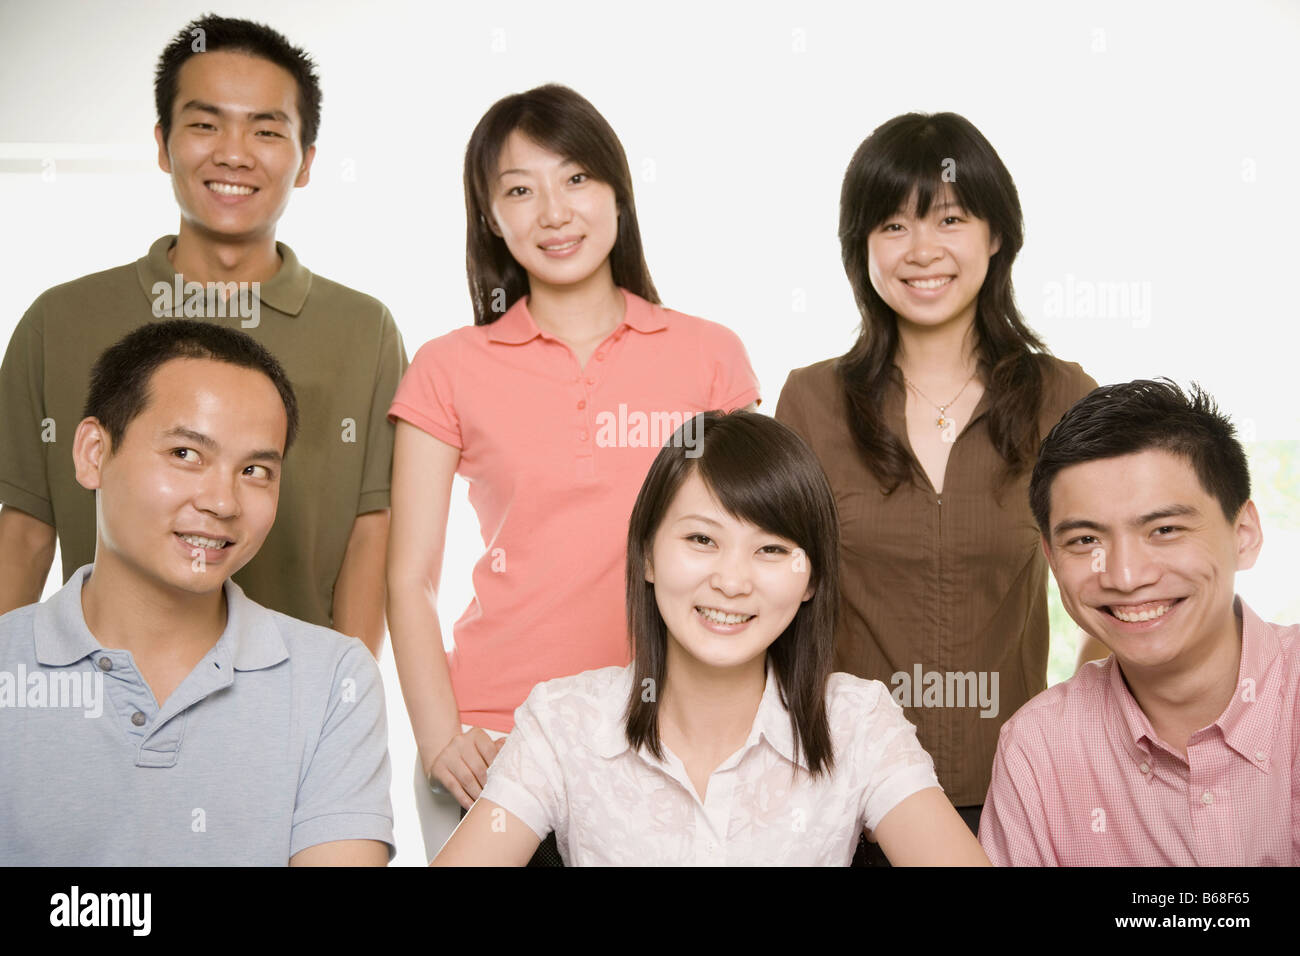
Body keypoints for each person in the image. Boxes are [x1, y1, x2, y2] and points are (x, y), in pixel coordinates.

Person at [387, 85, 760, 861]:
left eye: (576, 179)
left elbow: (757, 546)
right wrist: (438, 737)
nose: (552, 212)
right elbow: (411, 578)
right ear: (491, 217)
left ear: (619, 193)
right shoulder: (446, 366)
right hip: (500, 735)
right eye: (519, 190)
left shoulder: (710, 354)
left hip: (673, 725)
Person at [0, 14, 406, 655]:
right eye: (205, 123)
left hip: (285, 704)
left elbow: (371, 531)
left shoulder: (364, 329)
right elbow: (23, 530)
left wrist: (345, 693)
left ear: (305, 162)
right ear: (162, 143)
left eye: (267, 130)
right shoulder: (60, 318)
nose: (234, 153)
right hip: (96, 698)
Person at [432, 411, 989, 865]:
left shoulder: (857, 723)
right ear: (648, 554)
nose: (730, 581)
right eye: (702, 538)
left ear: (812, 578)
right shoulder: (561, 723)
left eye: (771, 549)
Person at [773, 112, 1097, 861]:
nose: (921, 250)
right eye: (891, 225)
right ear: (861, 250)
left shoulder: (1064, 396)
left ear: (996, 235)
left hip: (1013, 785)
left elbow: (1113, 574)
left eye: (949, 219)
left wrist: (1083, 711)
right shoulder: (810, 401)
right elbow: (773, 592)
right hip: (840, 791)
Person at [0, 321, 394, 865]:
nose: (222, 502)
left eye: (255, 470)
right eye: (186, 454)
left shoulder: (334, 681)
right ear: (94, 452)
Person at [980, 380, 1297, 866]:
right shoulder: (1037, 748)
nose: (1126, 577)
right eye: (1085, 540)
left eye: (1165, 530)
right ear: (1050, 556)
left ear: (1244, 534)